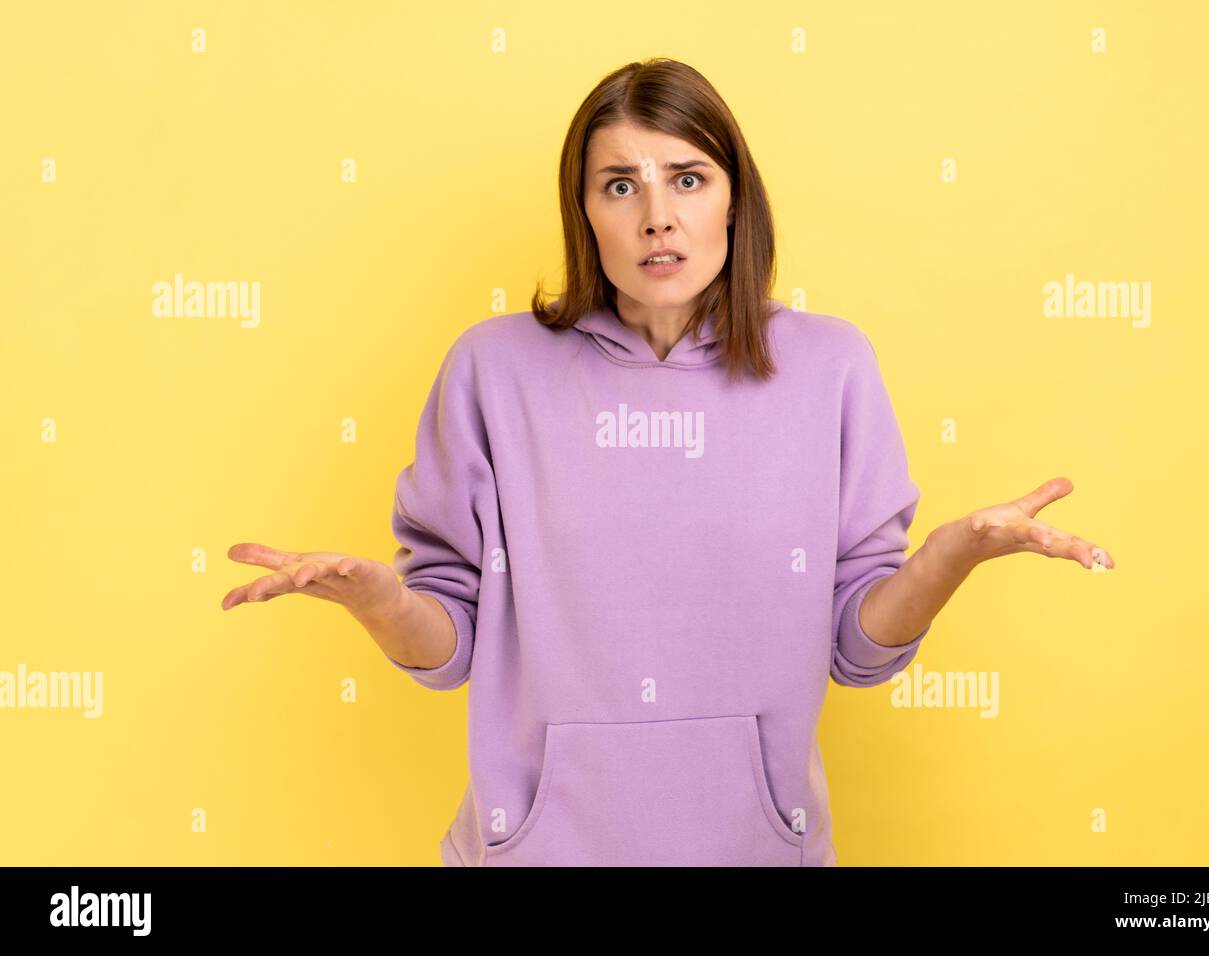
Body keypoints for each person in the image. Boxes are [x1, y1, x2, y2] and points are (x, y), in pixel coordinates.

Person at [221, 58, 1115, 867]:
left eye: (688, 178)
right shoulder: (493, 370)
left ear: (734, 199)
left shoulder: (831, 366)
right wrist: (381, 603)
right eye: (620, 185)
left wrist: (949, 555)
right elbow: (453, 646)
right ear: (585, 211)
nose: (658, 216)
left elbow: (855, 647)